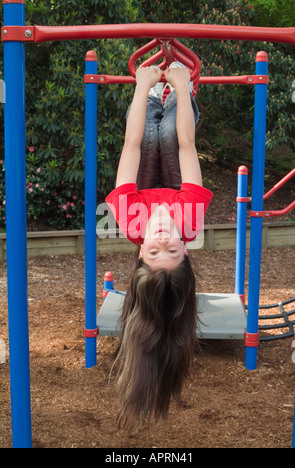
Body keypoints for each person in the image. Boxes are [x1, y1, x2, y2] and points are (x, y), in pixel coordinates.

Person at [105, 63, 214, 429]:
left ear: (140, 251)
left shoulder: (131, 219)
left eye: (155, 252)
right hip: (176, 161)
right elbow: (188, 145)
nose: (166, 240)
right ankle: (172, 98)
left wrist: (143, 85)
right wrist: (182, 87)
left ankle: (153, 97)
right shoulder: (189, 220)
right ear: (187, 250)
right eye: (174, 251)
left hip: (143, 167)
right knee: (171, 133)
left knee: (148, 137)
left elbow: (130, 145)